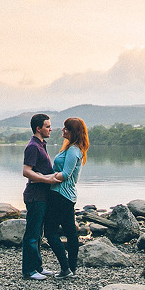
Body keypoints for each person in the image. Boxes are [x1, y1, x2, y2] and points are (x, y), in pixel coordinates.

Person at [44, 116, 88, 279]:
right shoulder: (74, 149)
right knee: (70, 232)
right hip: (67, 196)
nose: (63, 130)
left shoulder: (73, 150)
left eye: (66, 128)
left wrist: (44, 177)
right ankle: (71, 269)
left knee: (50, 231)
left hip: (60, 195)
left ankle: (65, 268)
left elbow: (66, 175)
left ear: (73, 132)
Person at [21, 113, 59, 280]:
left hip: (42, 195)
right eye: (47, 126)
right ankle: (29, 271)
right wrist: (47, 179)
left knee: (38, 233)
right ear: (38, 128)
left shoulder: (41, 145)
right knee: (32, 234)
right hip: (35, 196)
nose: (50, 129)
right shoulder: (33, 147)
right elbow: (26, 171)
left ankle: (38, 267)